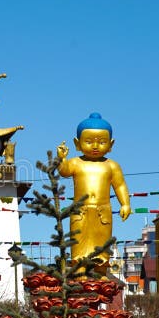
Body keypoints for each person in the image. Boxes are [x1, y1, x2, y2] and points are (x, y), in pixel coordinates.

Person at [56, 112, 131, 264]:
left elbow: (120, 185)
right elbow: (63, 171)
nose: (95, 146)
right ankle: (79, 268)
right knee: (78, 240)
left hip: (103, 210)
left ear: (111, 144)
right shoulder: (76, 163)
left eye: (102, 142)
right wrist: (62, 159)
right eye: (89, 141)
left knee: (102, 241)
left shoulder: (112, 166)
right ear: (77, 143)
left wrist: (125, 204)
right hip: (80, 211)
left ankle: (100, 269)